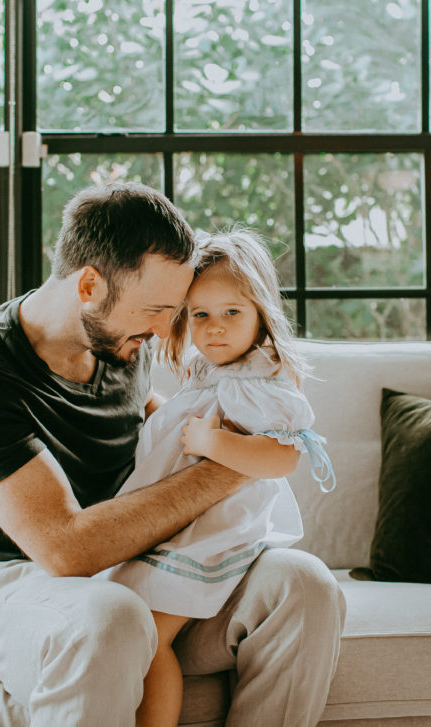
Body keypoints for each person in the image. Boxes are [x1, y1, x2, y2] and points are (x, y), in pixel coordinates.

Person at [0, 181, 346, 727]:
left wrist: (240, 426)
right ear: (88, 285)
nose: (160, 332)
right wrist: (233, 463)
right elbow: (65, 550)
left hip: (143, 564)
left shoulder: (120, 339)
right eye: (155, 311)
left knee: (306, 584)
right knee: (114, 615)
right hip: (22, 579)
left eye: (173, 312)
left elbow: (158, 419)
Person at [96, 228, 337, 727]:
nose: (215, 328)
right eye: (200, 314)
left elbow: (281, 458)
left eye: (232, 313)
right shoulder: (207, 372)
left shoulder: (260, 382)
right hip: (173, 525)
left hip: (210, 535)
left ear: (261, 315)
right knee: (131, 624)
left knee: (150, 637)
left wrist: (211, 444)